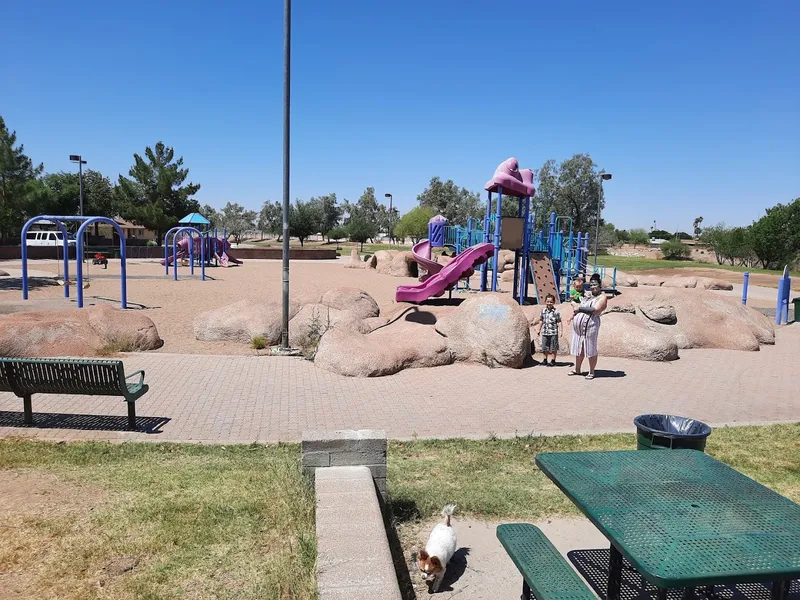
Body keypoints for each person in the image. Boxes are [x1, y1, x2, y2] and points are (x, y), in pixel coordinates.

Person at [567, 275, 607, 379]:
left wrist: (579, 308)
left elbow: (595, 310)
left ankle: (592, 371)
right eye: (591, 284)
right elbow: (575, 299)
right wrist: (573, 302)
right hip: (579, 329)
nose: (593, 286)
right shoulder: (587, 294)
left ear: (600, 285)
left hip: (591, 326)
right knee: (579, 347)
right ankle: (577, 370)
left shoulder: (602, 297)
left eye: (595, 284)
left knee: (590, 348)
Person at [535, 293, 561, 366]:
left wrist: (561, 330)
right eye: (548, 301)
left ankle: (553, 360)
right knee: (544, 346)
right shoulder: (543, 311)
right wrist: (539, 329)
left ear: (553, 303)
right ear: (545, 302)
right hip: (545, 332)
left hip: (553, 332)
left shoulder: (556, 312)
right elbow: (541, 320)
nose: (549, 303)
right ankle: (545, 360)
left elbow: (559, 321)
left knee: (553, 347)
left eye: (551, 302)